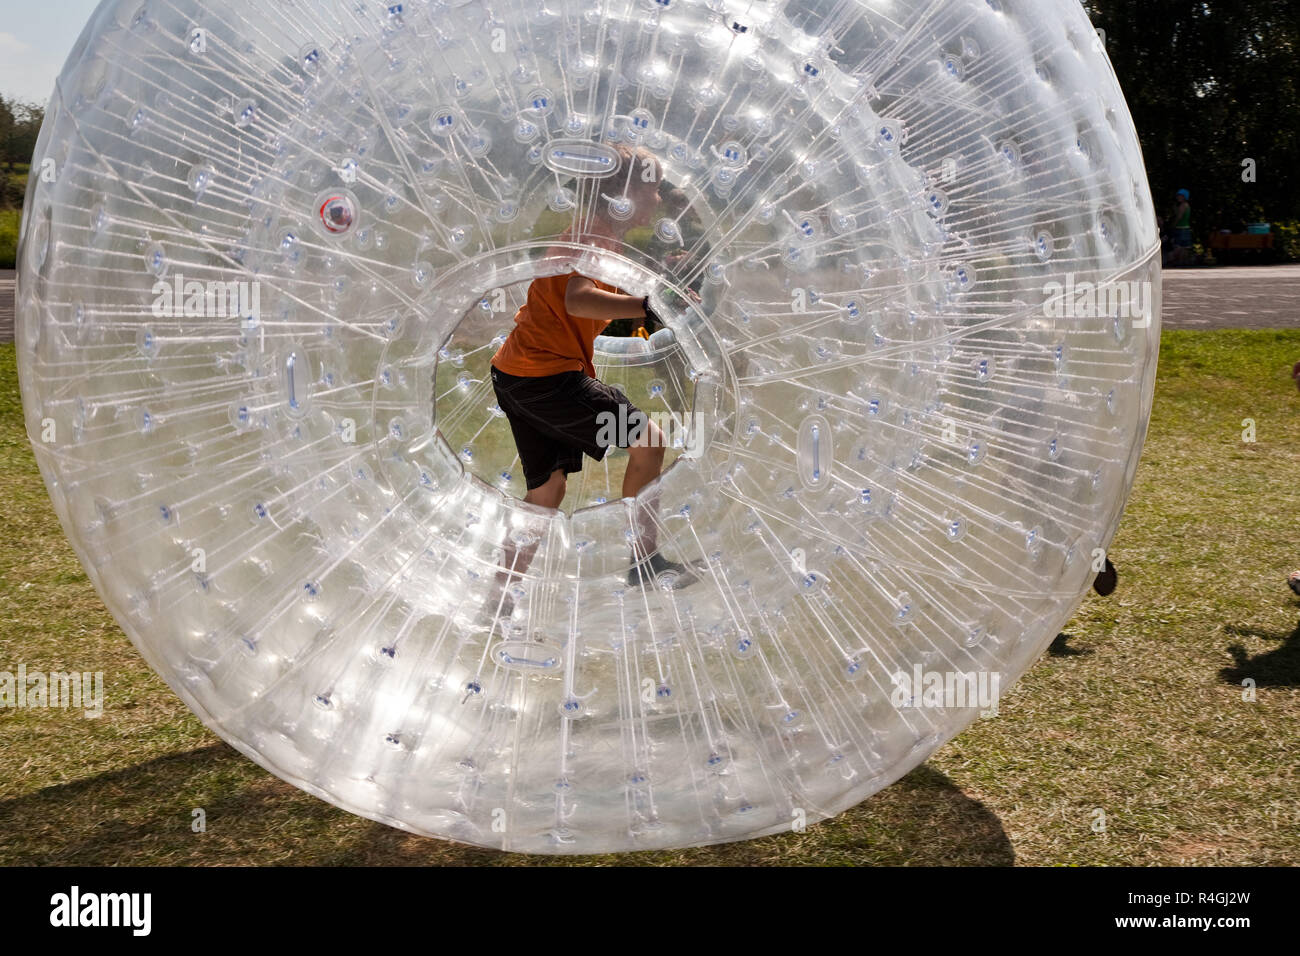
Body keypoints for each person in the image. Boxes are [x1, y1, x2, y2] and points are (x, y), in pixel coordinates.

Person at [485, 145, 695, 621]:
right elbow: (581, 300)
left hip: (517, 373)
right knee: (650, 442)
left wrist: (662, 284)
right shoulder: (594, 237)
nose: (659, 198)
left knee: (547, 491)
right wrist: (646, 306)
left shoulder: (595, 236)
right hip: (547, 376)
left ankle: (500, 596)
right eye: (652, 186)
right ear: (624, 193)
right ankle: (643, 563)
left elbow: (599, 306)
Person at [1168, 188, 1193, 267]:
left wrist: (1173, 225)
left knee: (1178, 246)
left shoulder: (1183, 205)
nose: (1178, 197)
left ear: (1184, 197)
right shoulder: (1187, 205)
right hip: (1186, 227)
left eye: (1180, 196)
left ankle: (1174, 261)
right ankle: (1182, 262)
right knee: (1184, 246)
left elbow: (1179, 217)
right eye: (1178, 196)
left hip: (1180, 228)